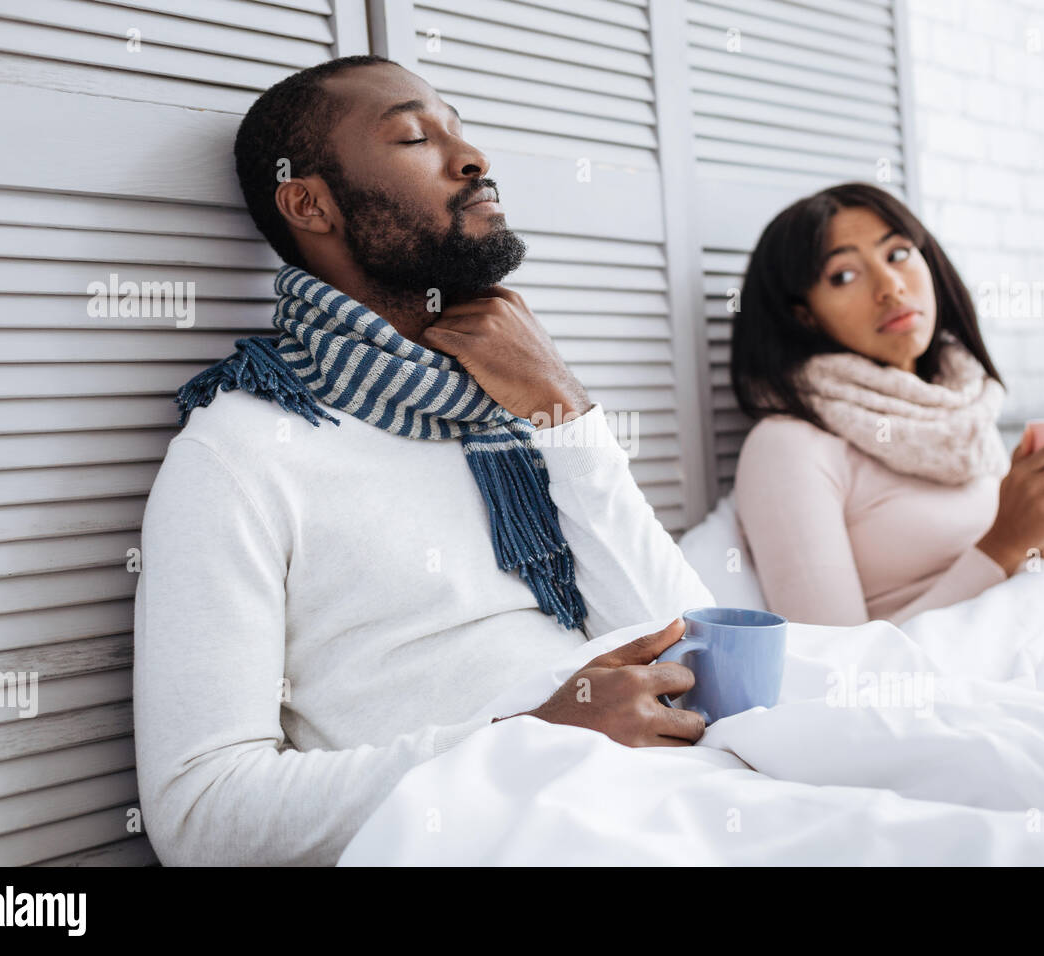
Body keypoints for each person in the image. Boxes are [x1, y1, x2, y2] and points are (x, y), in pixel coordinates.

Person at [133, 55, 714, 866]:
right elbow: (201, 815)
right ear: (310, 203)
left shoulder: (515, 405)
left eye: (459, 128)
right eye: (414, 136)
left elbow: (690, 649)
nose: (473, 158)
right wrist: (528, 741)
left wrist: (566, 412)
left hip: (684, 800)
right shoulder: (241, 453)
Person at [730, 183, 1044, 627]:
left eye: (897, 254)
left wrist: (1043, 537)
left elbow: (1042, 605)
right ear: (804, 315)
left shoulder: (964, 410)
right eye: (843, 275)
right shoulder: (788, 446)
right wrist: (1007, 543)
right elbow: (831, 667)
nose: (890, 286)